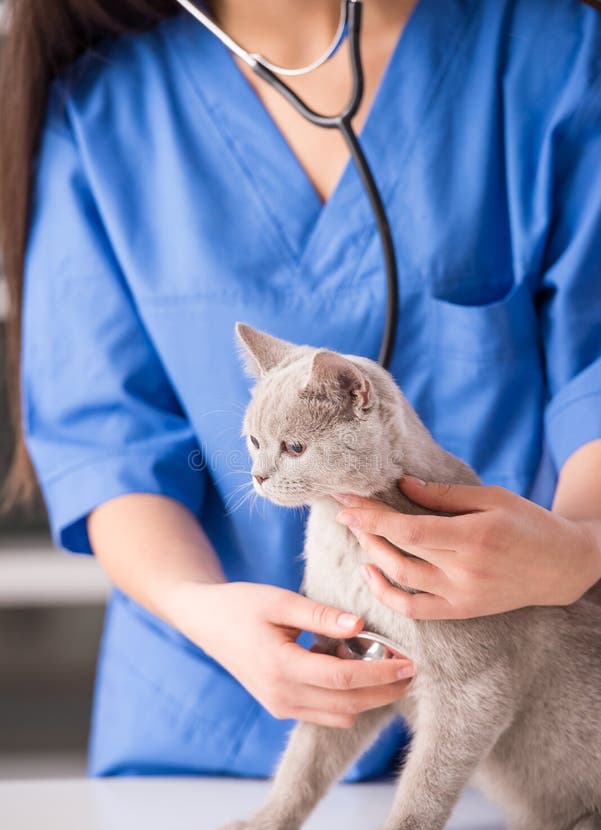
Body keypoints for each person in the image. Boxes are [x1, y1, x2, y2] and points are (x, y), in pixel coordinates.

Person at [1, 0, 600, 780]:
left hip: (520, 725)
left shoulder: (547, 56)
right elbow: (105, 440)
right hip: (215, 723)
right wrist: (201, 611)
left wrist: (579, 547)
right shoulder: (103, 109)